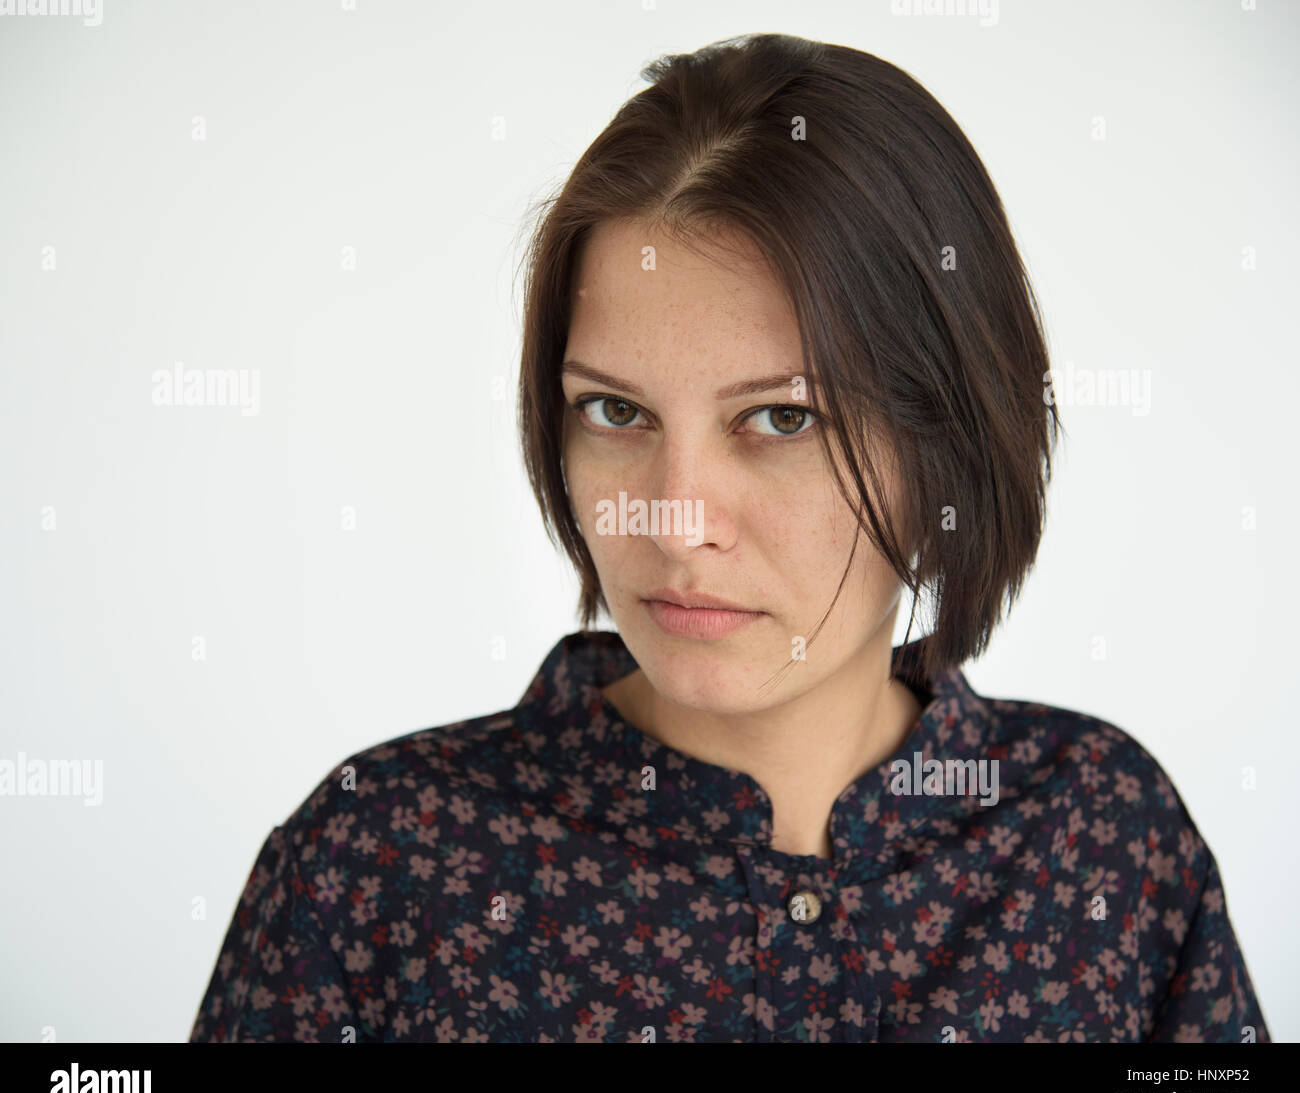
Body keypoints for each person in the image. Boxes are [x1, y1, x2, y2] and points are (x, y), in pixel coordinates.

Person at [189, 33, 1269, 1042]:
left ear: (947, 436)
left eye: (782, 419)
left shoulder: (1102, 837)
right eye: (615, 412)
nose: (675, 517)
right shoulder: (374, 865)